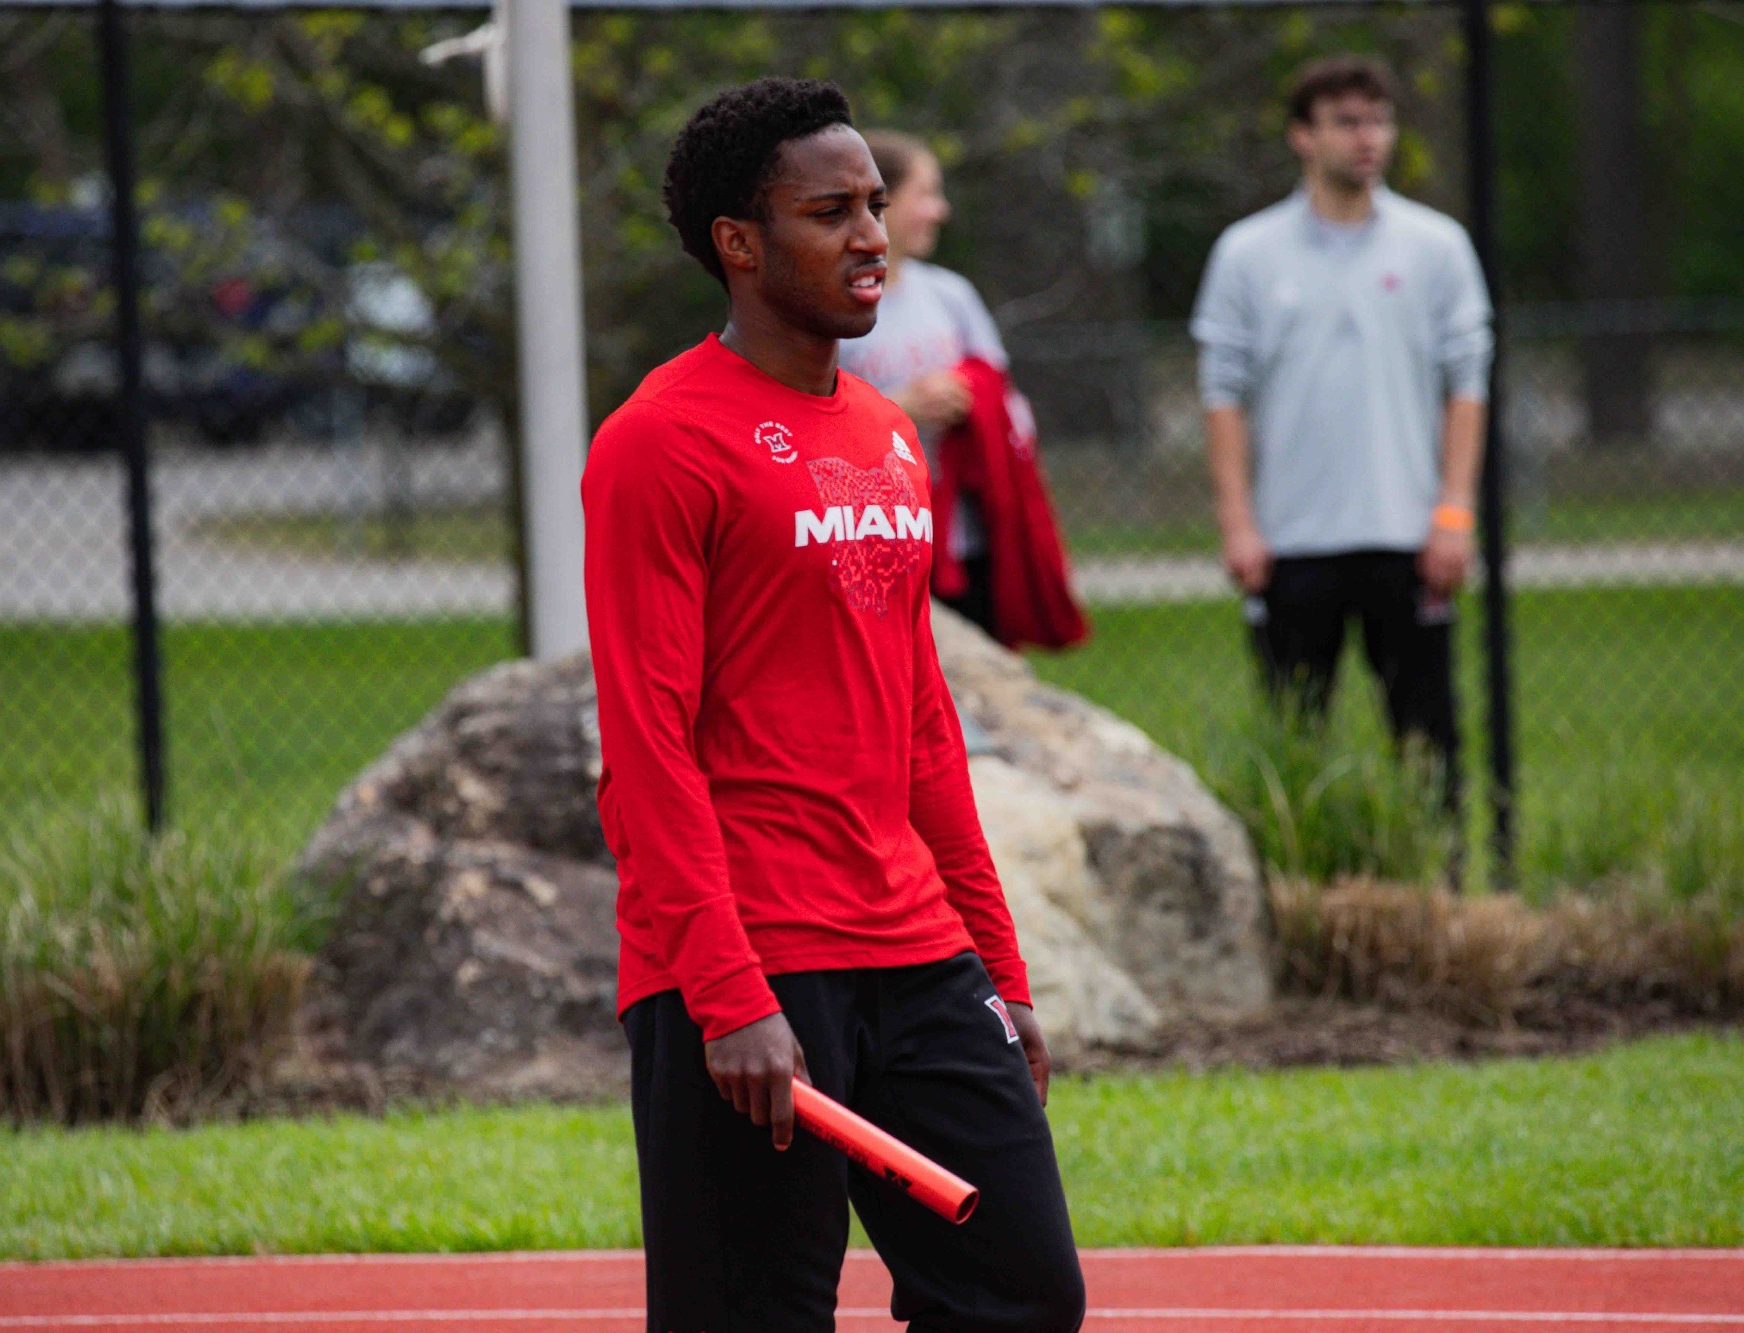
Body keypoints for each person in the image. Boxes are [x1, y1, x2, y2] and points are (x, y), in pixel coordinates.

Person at [582, 78, 1085, 1333]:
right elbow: (646, 746)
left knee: (1022, 1294)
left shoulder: (884, 434)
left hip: (916, 954)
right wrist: (727, 993)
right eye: (831, 212)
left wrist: (996, 964)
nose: (872, 237)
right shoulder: (659, 442)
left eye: (874, 204)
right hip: (750, 965)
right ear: (737, 246)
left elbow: (920, 719)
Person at [1191, 54, 1492, 819]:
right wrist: (1239, 523)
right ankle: (1305, 889)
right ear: (1303, 136)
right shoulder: (1247, 254)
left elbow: (1467, 385)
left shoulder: (1438, 247)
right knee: (1294, 746)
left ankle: (1442, 893)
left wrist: (1453, 512)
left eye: (1379, 120)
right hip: (1291, 544)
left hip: (1409, 535)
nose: (1368, 138)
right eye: (1347, 122)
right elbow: (1223, 394)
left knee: (1428, 744)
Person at [837, 130, 1010, 636]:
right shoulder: (834, 308)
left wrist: (968, 397)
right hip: (873, 542)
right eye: (927, 194)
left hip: (962, 539)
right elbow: (801, 421)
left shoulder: (951, 296)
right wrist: (900, 406)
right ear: (880, 202)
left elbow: (1003, 397)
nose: (940, 211)